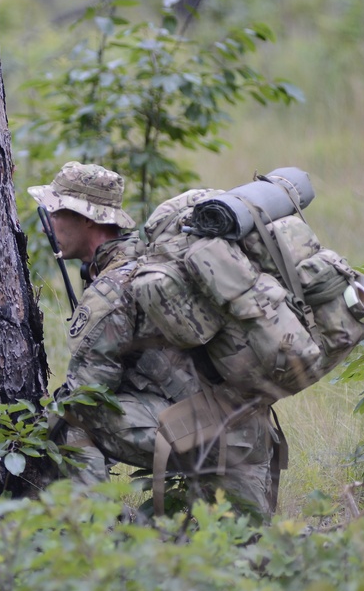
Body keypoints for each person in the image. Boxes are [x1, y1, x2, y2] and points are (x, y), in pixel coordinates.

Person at [29, 162, 277, 520]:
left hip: (210, 434)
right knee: (246, 545)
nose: (46, 225)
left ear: (87, 219)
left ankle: (102, 534)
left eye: (55, 213)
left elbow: (88, 391)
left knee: (71, 418)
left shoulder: (109, 291)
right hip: (250, 429)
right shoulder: (150, 258)